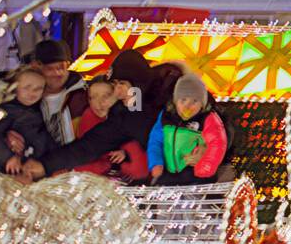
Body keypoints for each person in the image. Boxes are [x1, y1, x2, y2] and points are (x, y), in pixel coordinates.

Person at [23, 49, 183, 179]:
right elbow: (90, 145)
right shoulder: (125, 116)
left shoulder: (172, 98)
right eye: (114, 84)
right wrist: (46, 164)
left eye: (122, 84)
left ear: (137, 84)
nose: (118, 92)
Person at [0, 67, 56, 177]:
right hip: (3, 168)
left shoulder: (37, 111)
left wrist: (53, 162)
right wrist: (8, 157)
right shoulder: (5, 110)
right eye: (27, 88)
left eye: (38, 89)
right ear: (15, 88)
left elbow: (43, 137)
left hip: (29, 166)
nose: (32, 93)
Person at [147, 74, 228, 186]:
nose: (187, 106)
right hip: (168, 175)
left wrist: (205, 167)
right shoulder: (166, 116)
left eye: (194, 101)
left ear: (202, 104)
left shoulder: (207, 119)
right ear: (175, 101)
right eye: (183, 100)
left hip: (196, 176)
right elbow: (155, 141)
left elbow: (218, 143)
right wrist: (156, 163)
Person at [71, 77, 151, 182]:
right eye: (92, 97)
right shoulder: (89, 117)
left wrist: (125, 151)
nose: (99, 102)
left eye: (106, 96)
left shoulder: (130, 115)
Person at [33, 39, 89, 146]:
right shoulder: (27, 99)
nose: (57, 73)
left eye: (61, 67)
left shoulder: (84, 94)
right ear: (37, 67)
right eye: (50, 69)